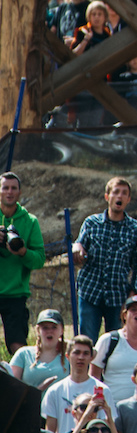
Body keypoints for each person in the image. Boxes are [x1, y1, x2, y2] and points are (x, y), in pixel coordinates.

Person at [75, 178, 137, 339]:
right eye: (115, 192)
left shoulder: (136, 229)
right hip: (90, 292)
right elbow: (79, 246)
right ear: (107, 197)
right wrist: (77, 249)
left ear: (128, 200)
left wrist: (133, 294)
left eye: (124, 193)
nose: (119, 196)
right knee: (87, 341)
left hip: (118, 296)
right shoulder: (91, 223)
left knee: (114, 343)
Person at [0, 169, 46, 354]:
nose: (9, 192)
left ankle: (18, 381)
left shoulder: (30, 221)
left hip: (15, 294)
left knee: (18, 347)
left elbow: (39, 260)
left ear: (20, 192)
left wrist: (22, 252)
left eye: (13, 188)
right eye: (5, 188)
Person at [91, 295, 137, 406]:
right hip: (112, 408)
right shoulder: (109, 340)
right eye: (133, 310)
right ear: (124, 315)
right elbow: (93, 377)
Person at [43, 335, 104, 432]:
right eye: (76, 353)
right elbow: (50, 430)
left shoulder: (102, 390)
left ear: (91, 358)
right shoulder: (54, 391)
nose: (81, 357)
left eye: (86, 353)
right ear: (67, 356)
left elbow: (107, 427)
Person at [11, 307, 68, 388]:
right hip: (30, 400)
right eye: (45, 328)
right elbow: (12, 387)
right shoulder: (23, 354)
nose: (49, 331)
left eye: (54, 327)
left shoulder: (69, 357)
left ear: (62, 330)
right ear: (38, 330)